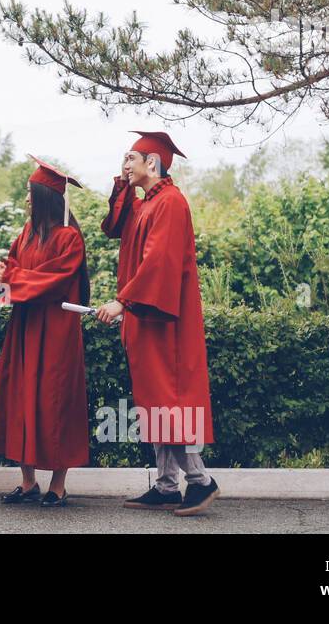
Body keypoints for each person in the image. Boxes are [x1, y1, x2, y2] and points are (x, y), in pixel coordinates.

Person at [97, 131, 219, 517]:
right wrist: (122, 184)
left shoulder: (171, 203)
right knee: (154, 400)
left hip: (165, 320)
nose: (125, 164)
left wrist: (122, 300)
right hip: (145, 319)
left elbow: (159, 263)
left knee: (172, 401)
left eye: (131, 158)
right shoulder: (145, 204)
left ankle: (200, 482)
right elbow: (113, 225)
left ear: (153, 163)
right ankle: (167, 485)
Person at [0, 156, 91, 508]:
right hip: (26, 328)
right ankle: (28, 482)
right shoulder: (27, 233)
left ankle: (58, 485)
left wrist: (10, 278)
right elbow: (12, 272)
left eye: (30, 193)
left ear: (45, 196)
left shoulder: (69, 238)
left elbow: (54, 282)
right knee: (21, 400)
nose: (26, 199)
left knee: (54, 402)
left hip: (56, 332)